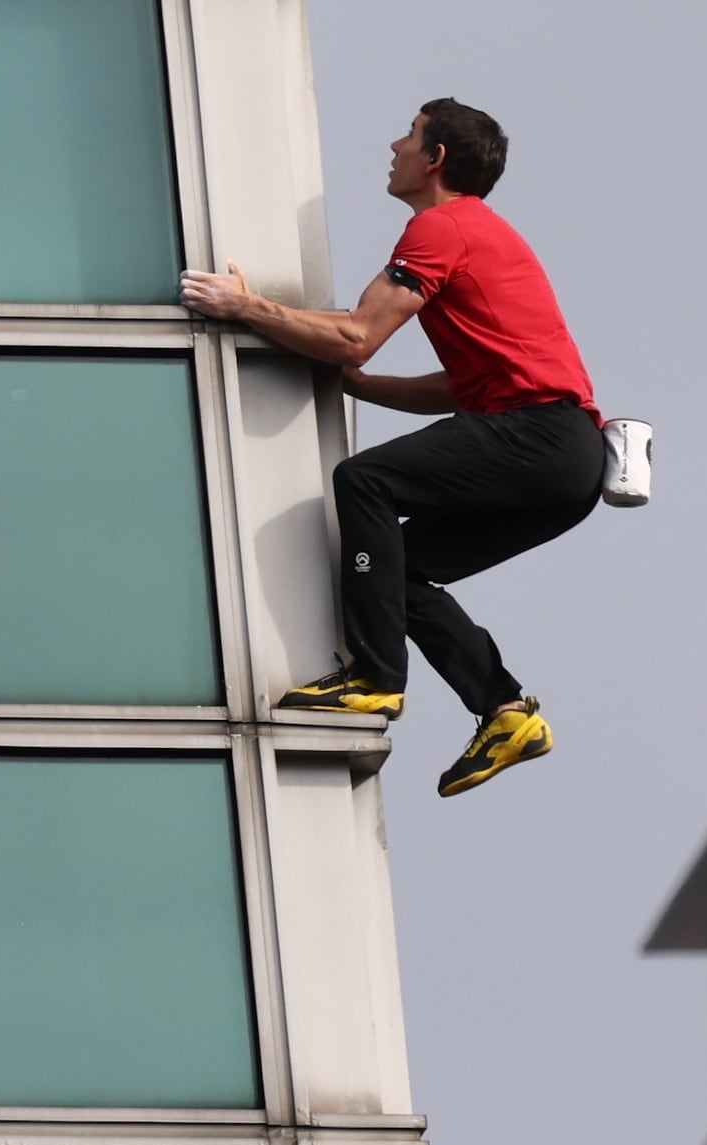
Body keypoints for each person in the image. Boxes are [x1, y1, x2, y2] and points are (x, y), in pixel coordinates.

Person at [180, 98, 601, 797]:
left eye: (408, 135)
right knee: (400, 573)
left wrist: (246, 308)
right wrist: (357, 385)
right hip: (565, 457)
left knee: (365, 481)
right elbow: (451, 386)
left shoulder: (441, 227)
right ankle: (505, 710)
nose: (393, 144)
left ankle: (375, 678)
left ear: (434, 158)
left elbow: (355, 333)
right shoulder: (477, 234)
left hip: (538, 435)